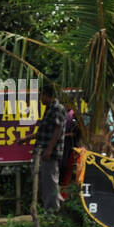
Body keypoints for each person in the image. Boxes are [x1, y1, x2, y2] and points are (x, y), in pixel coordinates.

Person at [34, 83, 67, 211]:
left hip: (50, 152)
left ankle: (52, 210)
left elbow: (57, 130)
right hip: (43, 151)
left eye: (41, 96)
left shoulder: (57, 108)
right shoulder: (49, 109)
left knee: (50, 181)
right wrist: (25, 139)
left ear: (47, 95)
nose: (40, 99)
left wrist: (49, 149)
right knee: (45, 180)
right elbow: (43, 131)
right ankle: (56, 206)